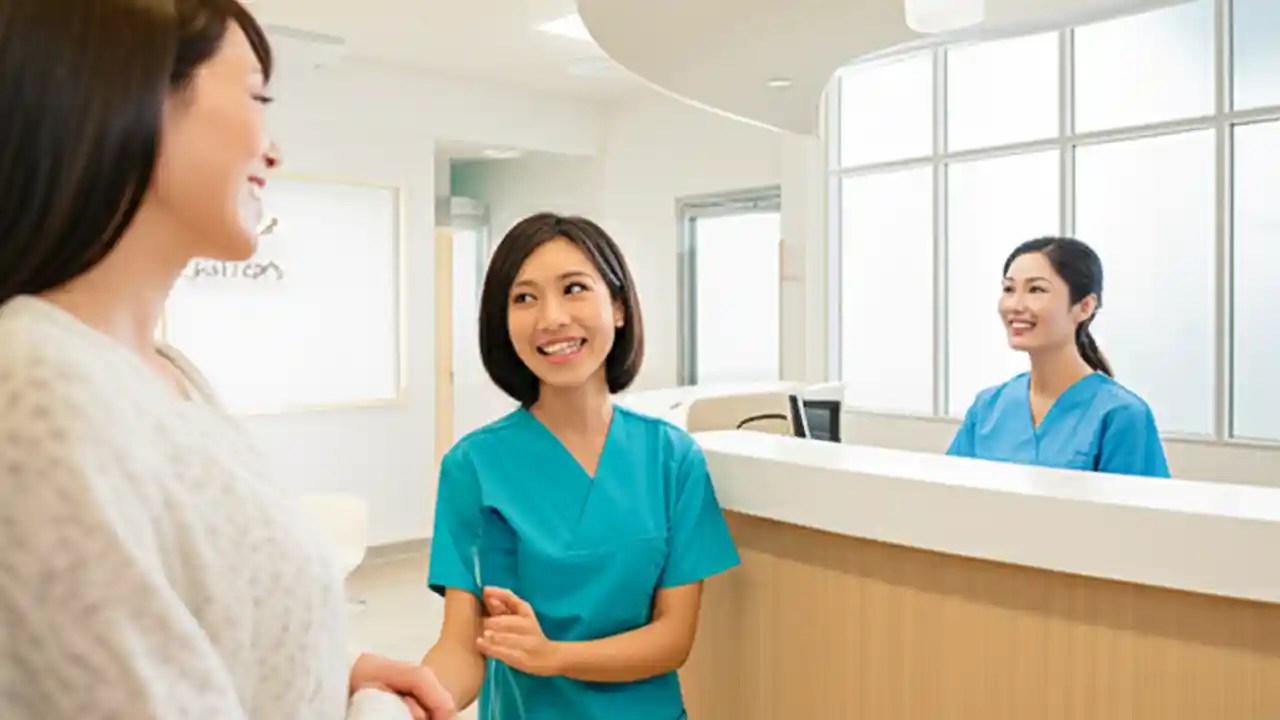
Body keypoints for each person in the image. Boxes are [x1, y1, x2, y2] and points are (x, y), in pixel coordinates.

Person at [0, 2, 454, 718]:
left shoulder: (164, 372)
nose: (274, 152)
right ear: (135, 101)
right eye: (255, 99)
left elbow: (205, 616)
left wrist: (339, 669)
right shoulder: (39, 392)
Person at [422, 213, 740, 718]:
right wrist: (412, 701)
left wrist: (554, 657)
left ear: (618, 307)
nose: (551, 318)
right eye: (524, 298)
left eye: (573, 289)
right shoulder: (473, 467)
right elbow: (460, 649)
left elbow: (673, 638)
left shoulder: (672, 458)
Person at [947, 237, 1171, 478]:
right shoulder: (987, 408)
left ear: (1085, 307)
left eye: (1036, 290)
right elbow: (947, 492)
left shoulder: (1121, 415)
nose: (1015, 305)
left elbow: (1138, 503)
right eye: (1009, 289)